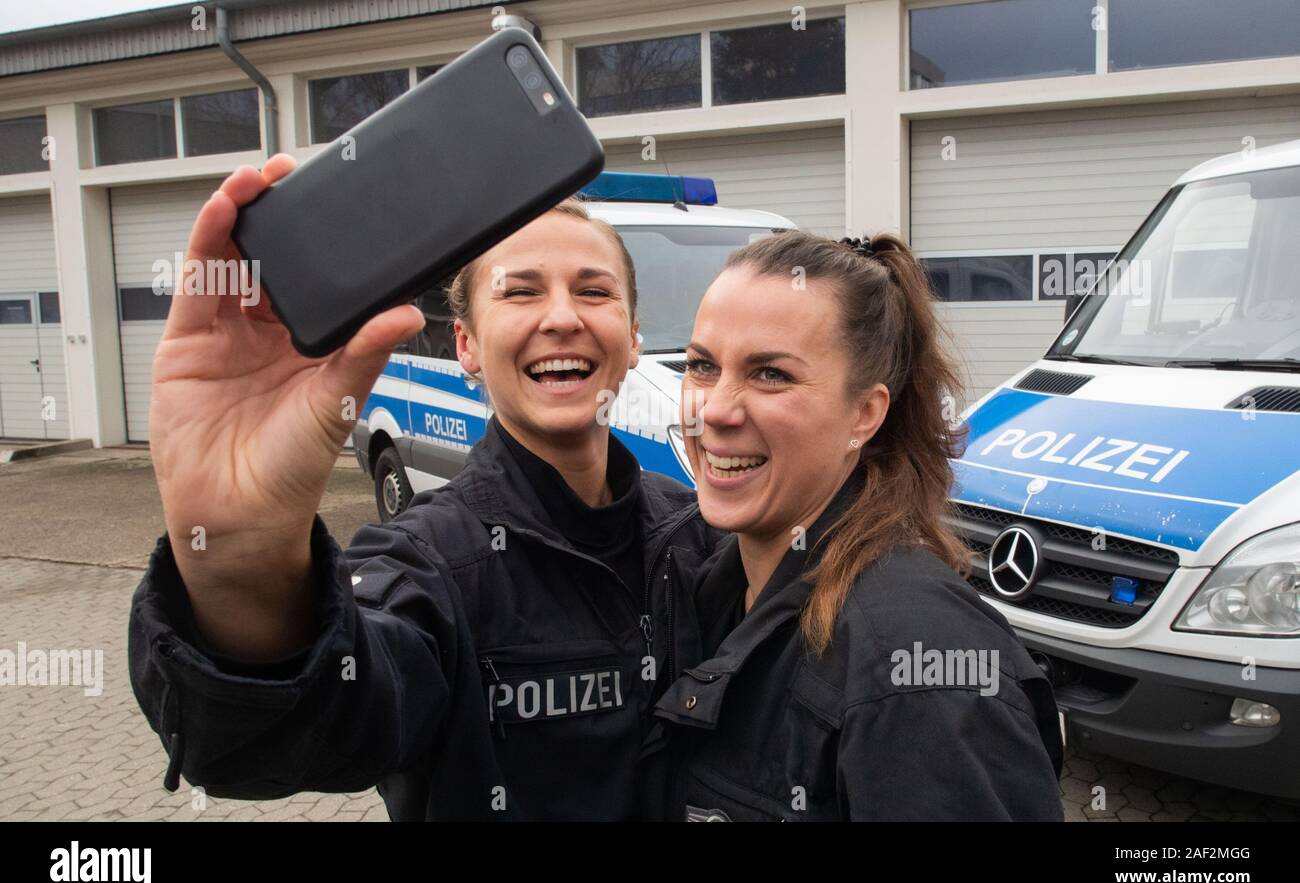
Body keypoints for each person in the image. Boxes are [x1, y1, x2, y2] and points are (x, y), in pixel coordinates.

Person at [128, 155, 721, 820]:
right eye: (520, 291)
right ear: (466, 345)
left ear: (633, 336)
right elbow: (300, 729)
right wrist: (242, 567)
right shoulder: (429, 566)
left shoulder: (702, 538)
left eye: (594, 291)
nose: (562, 316)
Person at [641, 230, 1065, 821]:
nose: (713, 409)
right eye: (702, 366)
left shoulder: (918, 658)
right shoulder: (717, 586)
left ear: (864, 414)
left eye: (770, 374)